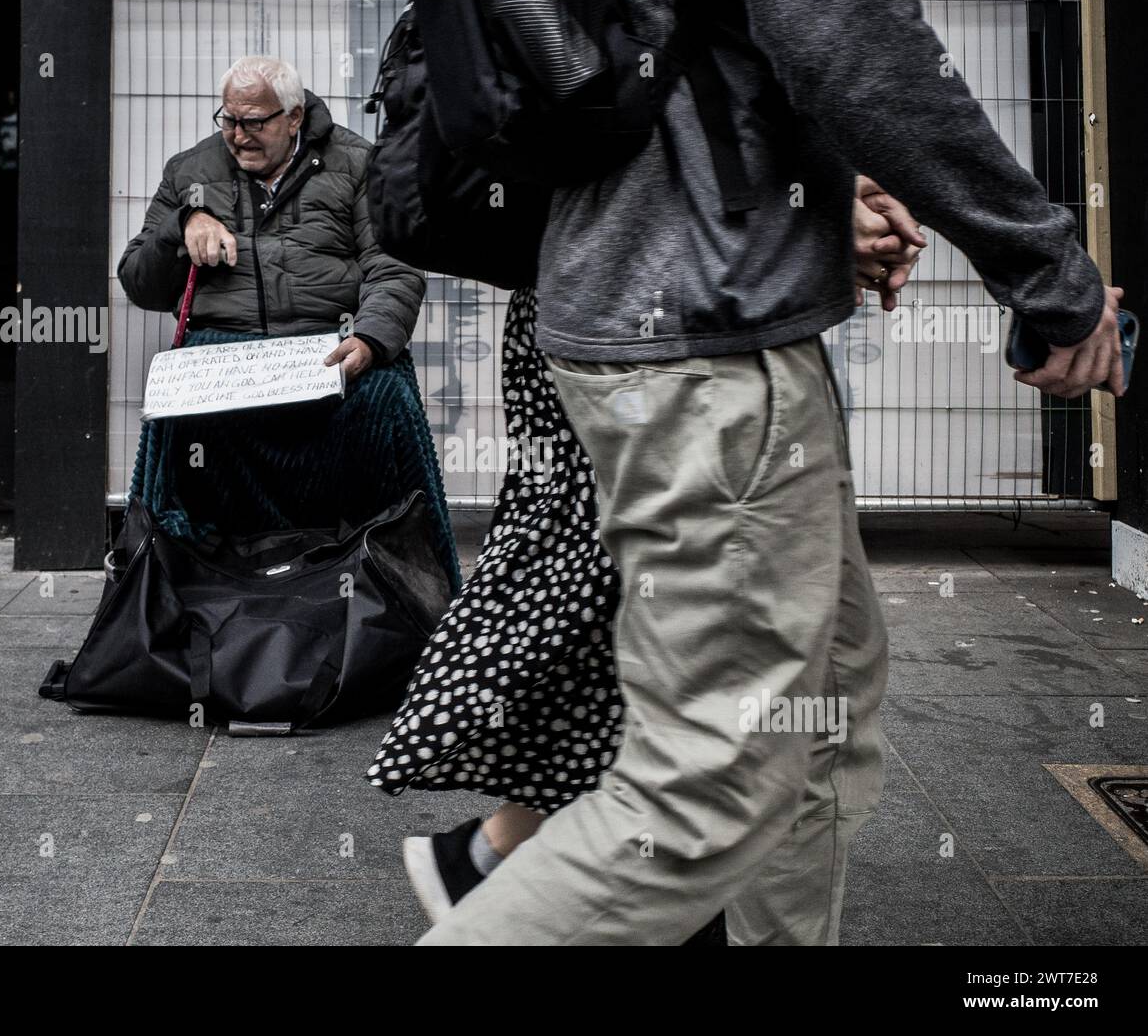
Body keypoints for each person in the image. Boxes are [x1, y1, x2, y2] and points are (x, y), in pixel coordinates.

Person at [418, 0, 1124, 946]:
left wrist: (822, 188)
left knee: (824, 701)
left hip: (668, 316)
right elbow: (857, 50)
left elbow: (711, 82)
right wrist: (1047, 270)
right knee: (709, 786)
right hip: (705, 345)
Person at [368, 178, 926, 929]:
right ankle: (498, 863)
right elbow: (669, 140)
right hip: (653, 324)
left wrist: (809, 205)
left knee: (642, 618)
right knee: (693, 663)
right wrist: (802, 213)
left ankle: (501, 854)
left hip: (623, 311)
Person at [116, 57, 457, 585]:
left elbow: (393, 266)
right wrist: (180, 226)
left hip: (328, 344)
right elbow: (140, 283)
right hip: (226, 350)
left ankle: (395, 574)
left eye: (254, 122)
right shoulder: (190, 173)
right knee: (175, 416)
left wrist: (369, 338)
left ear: (294, 117)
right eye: (228, 120)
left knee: (385, 398)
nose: (237, 136)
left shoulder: (356, 162)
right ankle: (186, 582)